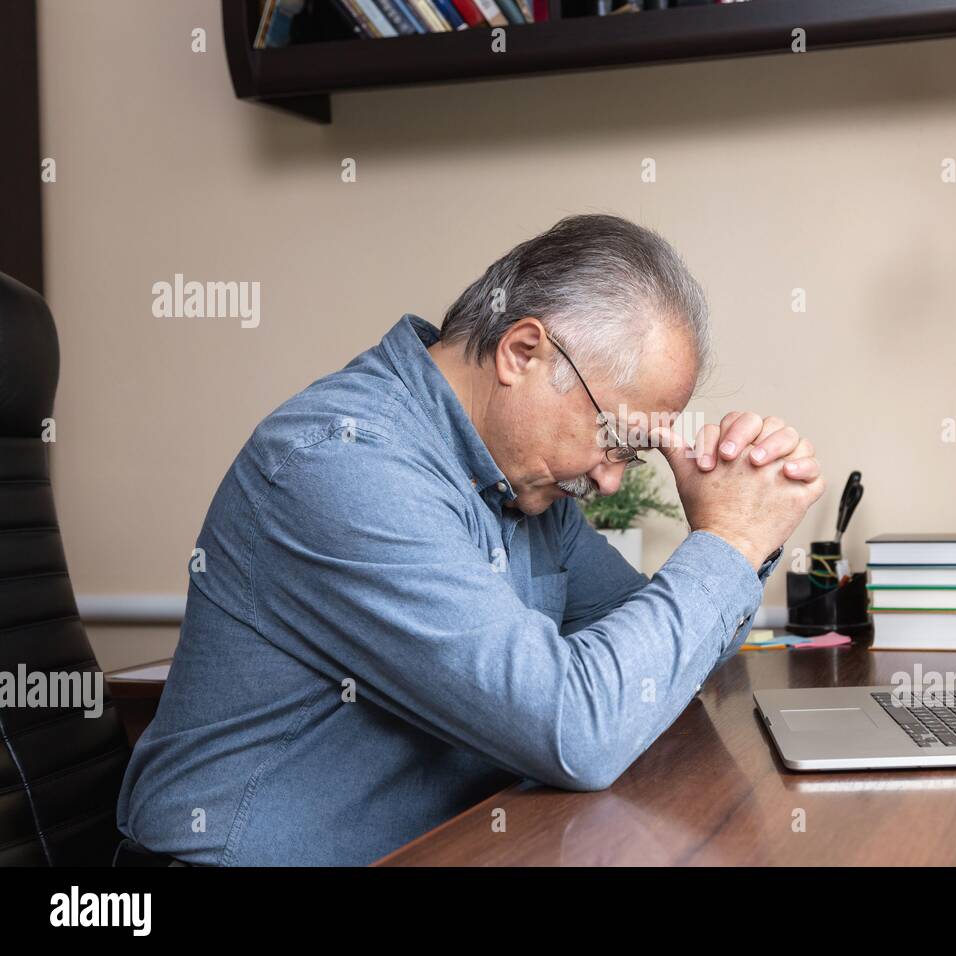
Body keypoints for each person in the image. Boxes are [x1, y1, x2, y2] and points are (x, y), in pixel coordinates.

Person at [116, 214, 824, 865]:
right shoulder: (341, 465)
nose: (612, 482)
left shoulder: (524, 483)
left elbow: (646, 674)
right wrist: (727, 542)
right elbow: (579, 729)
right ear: (522, 351)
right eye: (617, 438)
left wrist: (734, 533)